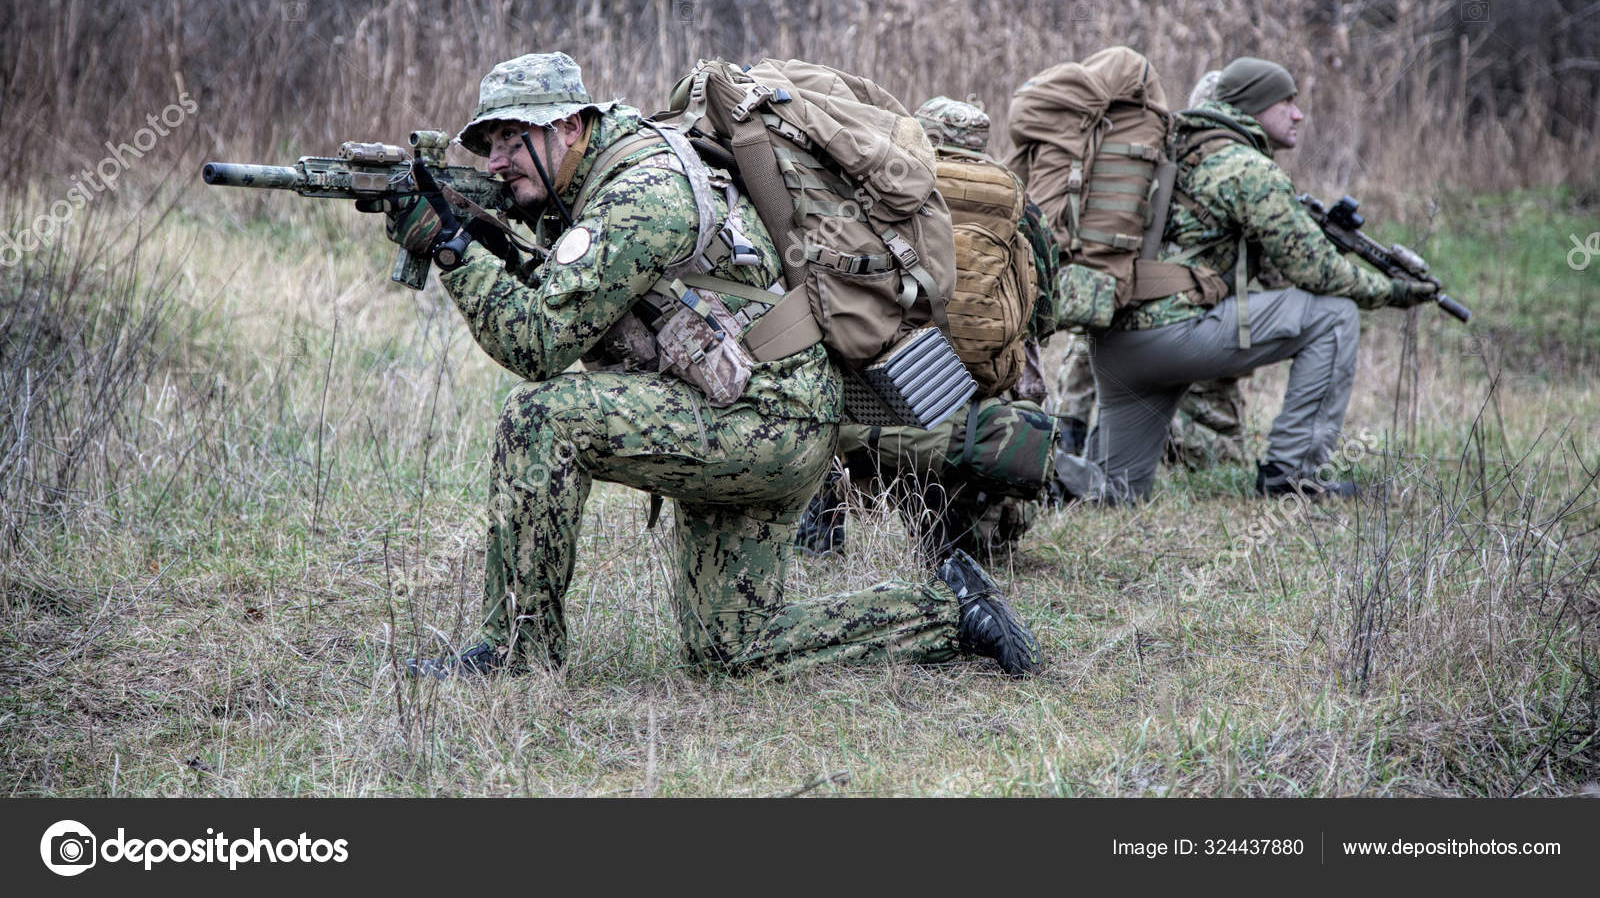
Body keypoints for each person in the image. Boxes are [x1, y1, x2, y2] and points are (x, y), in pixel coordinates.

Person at [361, 52, 1042, 677]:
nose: (498, 161)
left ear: (569, 127)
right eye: (489, 147)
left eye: (514, 140)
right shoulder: (617, 171)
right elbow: (582, 299)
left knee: (543, 420)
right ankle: (956, 613)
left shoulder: (639, 195)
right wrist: (486, 238)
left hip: (762, 420)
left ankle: (517, 651)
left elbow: (537, 345)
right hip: (773, 412)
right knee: (731, 646)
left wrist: (451, 248)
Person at [1076, 57, 1437, 502]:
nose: (1298, 114)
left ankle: (1039, 477)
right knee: (1334, 315)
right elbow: (1317, 272)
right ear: (1254, 106)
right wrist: (1394, 291)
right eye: (1286, 101)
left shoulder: (1177, 148)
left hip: (1117, 345)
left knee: (1112, 490)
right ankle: (1295, 474)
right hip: (1172, 339)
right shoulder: (1247, 167)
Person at [799, 96, 1064, 565]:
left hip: (877, 384)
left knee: (823, 383)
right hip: (974, 399)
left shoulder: (875, 188)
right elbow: (1046, 320)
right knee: (1016, 391)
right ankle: (978, 535)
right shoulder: (1017, 204)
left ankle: (820, 537)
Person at [1054, 68, 1249, 468]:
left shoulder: (1182, 154)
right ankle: (1083, 440)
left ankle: (1088, 439)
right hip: (1168, 299)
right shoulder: (1183, 159)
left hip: (1172, 304)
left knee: (1095, 336)